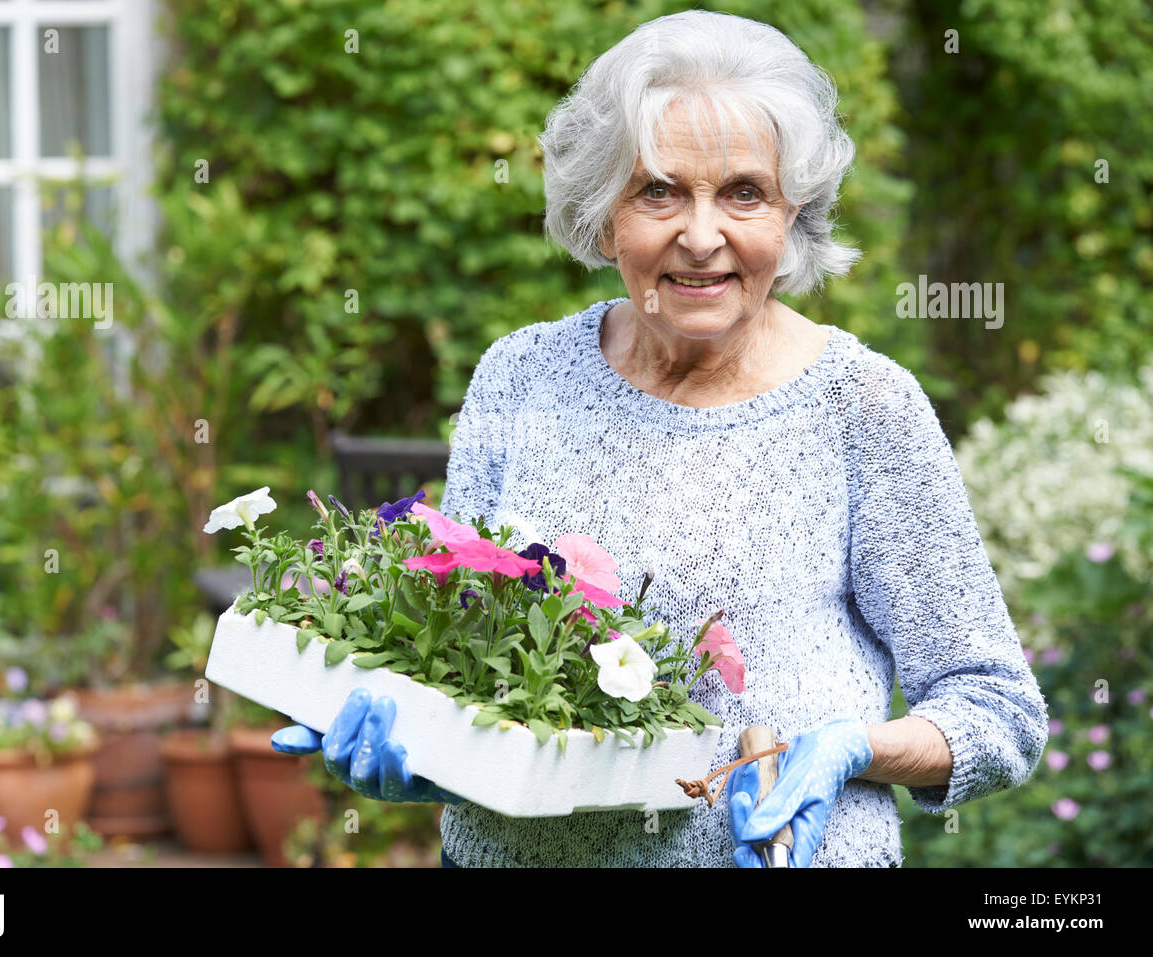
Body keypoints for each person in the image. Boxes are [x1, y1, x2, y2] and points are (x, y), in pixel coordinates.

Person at [272, 9, 1049, 867]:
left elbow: (997, 710)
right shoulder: (519, 375)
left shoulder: (863, 405)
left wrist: (852, 747)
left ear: (792, 216)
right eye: (659, 191)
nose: (703, 235)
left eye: (745, 192)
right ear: (605, 218)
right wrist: (423, 753)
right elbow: (454, 659)